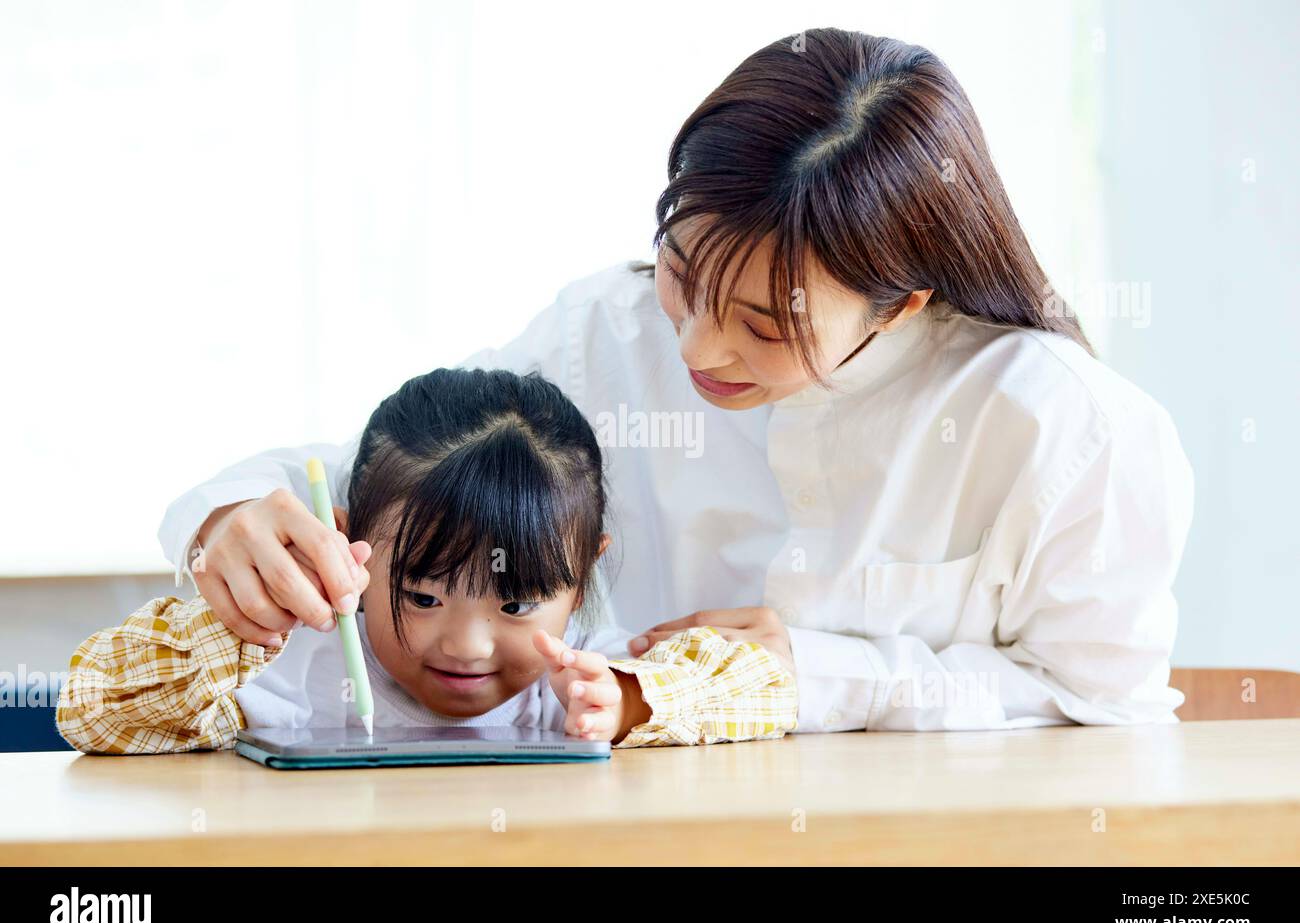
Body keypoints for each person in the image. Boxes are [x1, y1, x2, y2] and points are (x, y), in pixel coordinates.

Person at [158, 28, 1194, 733]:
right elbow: (392, 477)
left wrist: (822, 671)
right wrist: (234, 520)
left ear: (902, 303)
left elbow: (1102, 715)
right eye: (682, 276)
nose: (699, 351)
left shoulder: (1069, 435)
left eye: (764, 325)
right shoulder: (598, 338)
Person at [57, 368, 797, 753]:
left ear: (585, 573)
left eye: (515, 604)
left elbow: (769, 688)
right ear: (348, 546)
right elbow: (90, 706)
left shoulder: (580, 681)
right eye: (420, 594)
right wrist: (239, 631)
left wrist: (636, 703)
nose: (467, 645)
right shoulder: (287, 666)